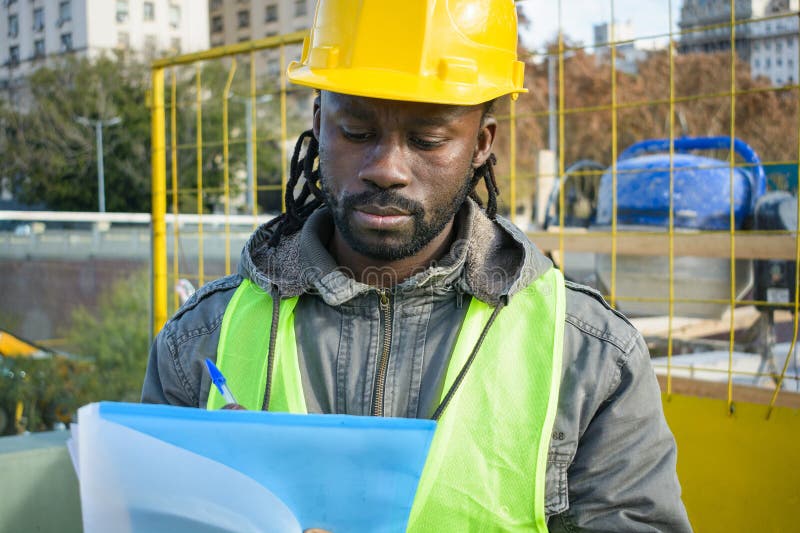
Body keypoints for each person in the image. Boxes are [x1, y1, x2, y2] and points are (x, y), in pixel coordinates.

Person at [142, 1, 692, 531]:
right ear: (318, 123)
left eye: (427, 139)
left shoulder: (590, 357)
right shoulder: (198, 342)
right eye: (356, 132)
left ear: (481, 143)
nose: (386, 170)